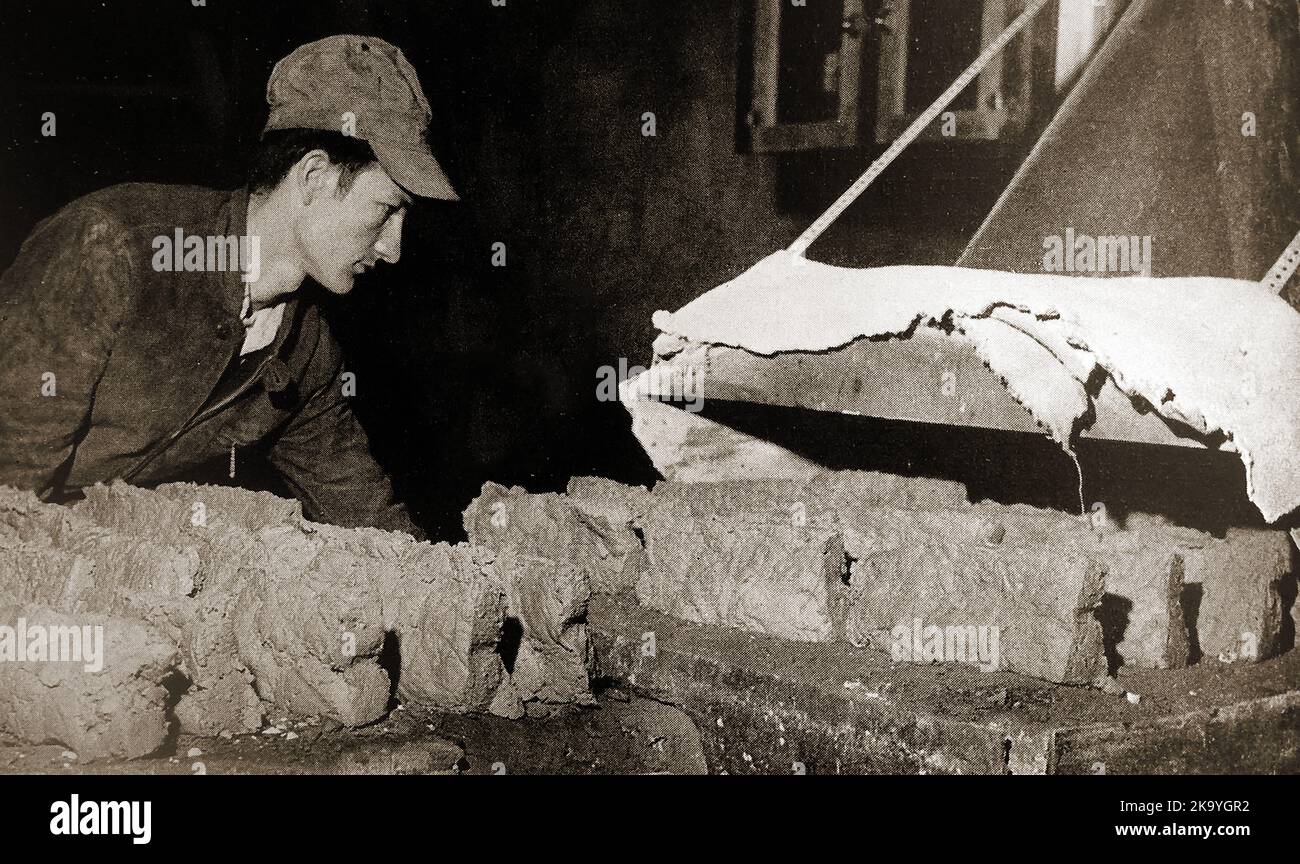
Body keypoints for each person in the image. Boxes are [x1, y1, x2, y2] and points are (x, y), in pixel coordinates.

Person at [0, 35, 456, 539]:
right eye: (386, 209)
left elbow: (364, 512)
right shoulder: (112, 249)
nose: (394, 249)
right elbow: (12, 477)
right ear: (314, 177)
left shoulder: (304, 350)